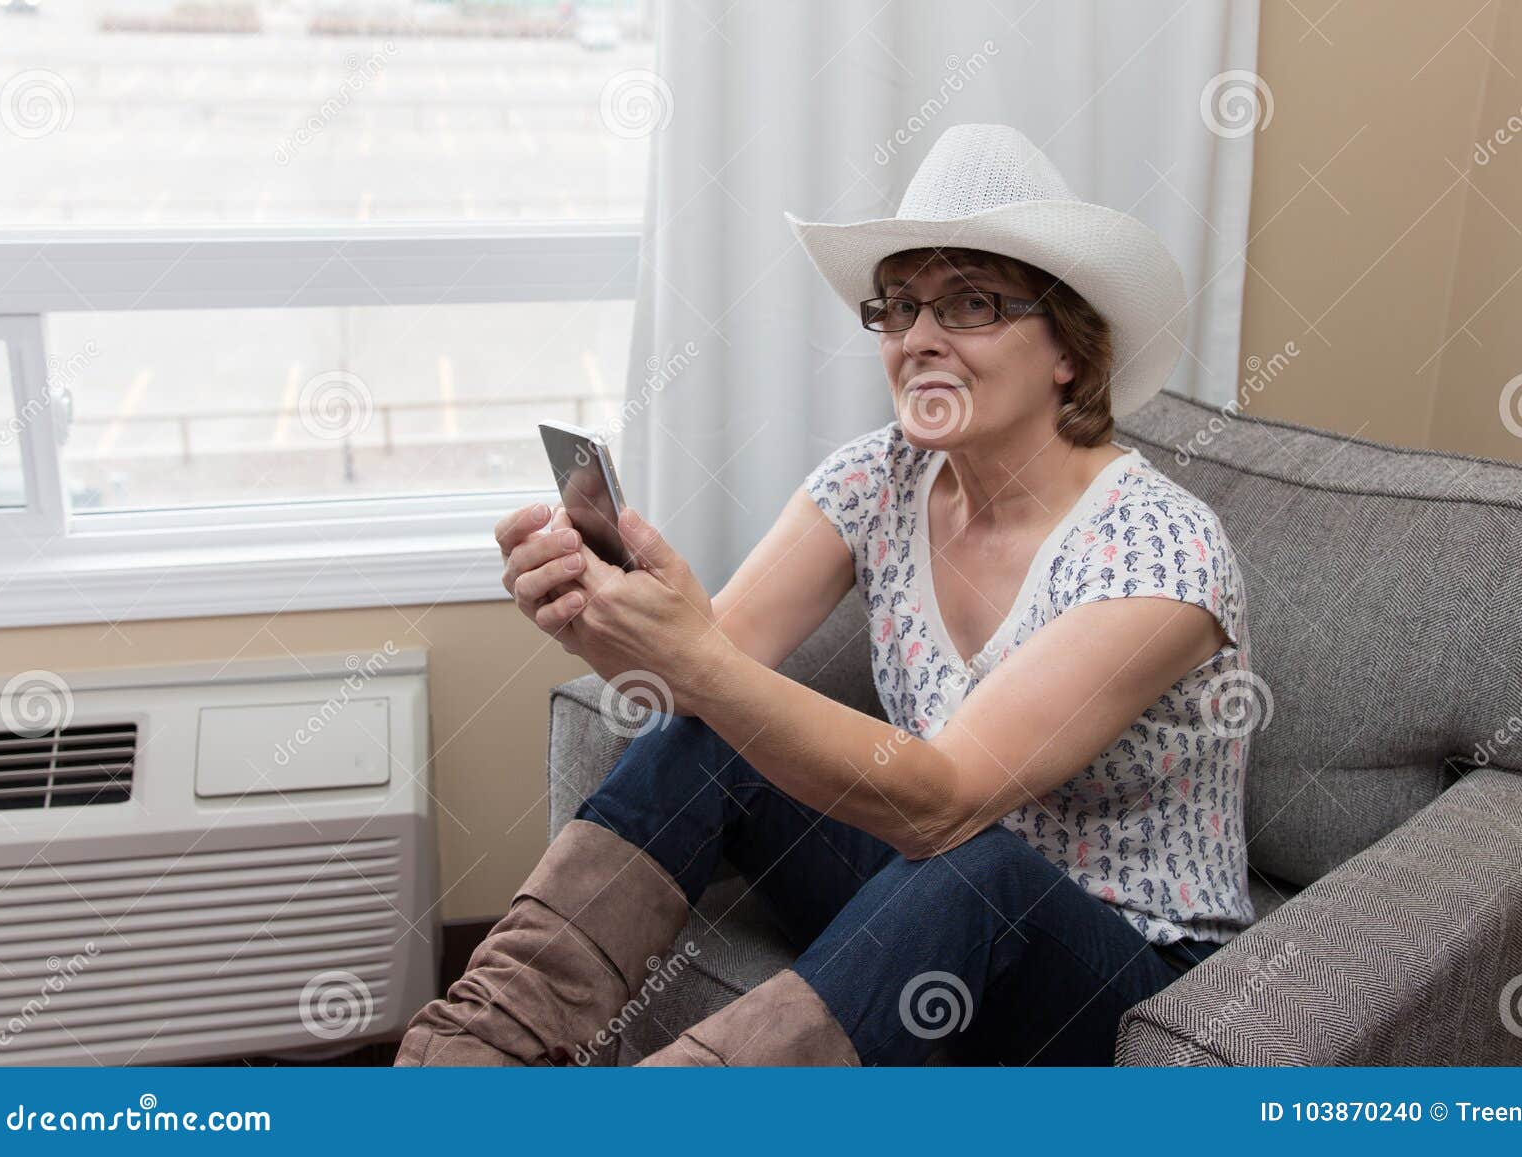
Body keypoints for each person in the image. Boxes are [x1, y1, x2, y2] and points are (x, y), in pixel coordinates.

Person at [395, 123, 1257, 1068]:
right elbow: (696, 678)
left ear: (1068, 353)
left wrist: (698, 658)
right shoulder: (878, 478)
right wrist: (598, 612)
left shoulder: (1159, 554)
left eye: (968, 303)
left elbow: (947, 803)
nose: (917, 338)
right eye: (898, 306)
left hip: (1120, 964)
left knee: (980, 870)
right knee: (710, 736)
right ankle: (466, 1066)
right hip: (934, 884)